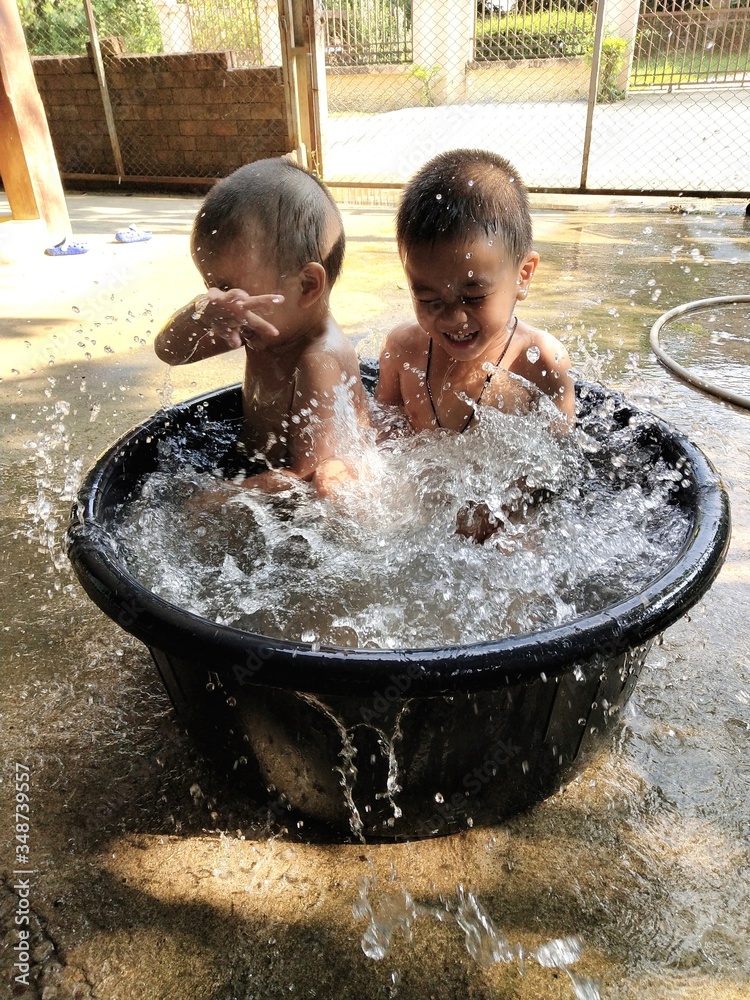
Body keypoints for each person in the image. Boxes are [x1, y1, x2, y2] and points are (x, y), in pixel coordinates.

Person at [375, 149, 575, 541]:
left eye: (473, 296)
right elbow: (384, 439)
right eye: (429, 299)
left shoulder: (539, 362)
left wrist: (503, 507)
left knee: (522, 545)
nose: (453, 319)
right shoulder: (402, 350)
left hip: (503, 522)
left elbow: (559, 467)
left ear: (523, 275)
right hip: (421, 517)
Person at [154, 157, 369, 497]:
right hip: (255, 463)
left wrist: (220, 494)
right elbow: (169, 352)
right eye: (210, 291)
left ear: (308, 285)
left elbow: (311, 480)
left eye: (230, 291)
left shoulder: (319, 359)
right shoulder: (255, 325)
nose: (222, 301)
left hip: (305, 491)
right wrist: (201, 313)